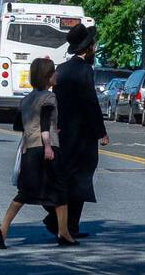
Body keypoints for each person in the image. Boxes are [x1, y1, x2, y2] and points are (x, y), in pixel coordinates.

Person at [0, 58, 76, 247]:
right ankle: (63, 233)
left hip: (29, 150)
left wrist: (34, 128)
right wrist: (48, 143)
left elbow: (17, 125)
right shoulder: (49, 97)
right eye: (53, 72)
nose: (57, 75)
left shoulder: (26, 99)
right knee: (61, 189)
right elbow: (45, 122)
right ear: (47, 77)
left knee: (24, 192)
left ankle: (3, 229)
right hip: (47, 149)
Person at [44, 23, 109, 239]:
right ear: (88, 48)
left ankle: (62, 222)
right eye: (94, 45)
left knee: (66, 177)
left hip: (63, 133)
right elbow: (91, 103)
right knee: (80, 180)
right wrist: (101, 132)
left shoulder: (61, 69)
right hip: (82, 136)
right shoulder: (85, 71)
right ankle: (67, 225)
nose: (96, 48)